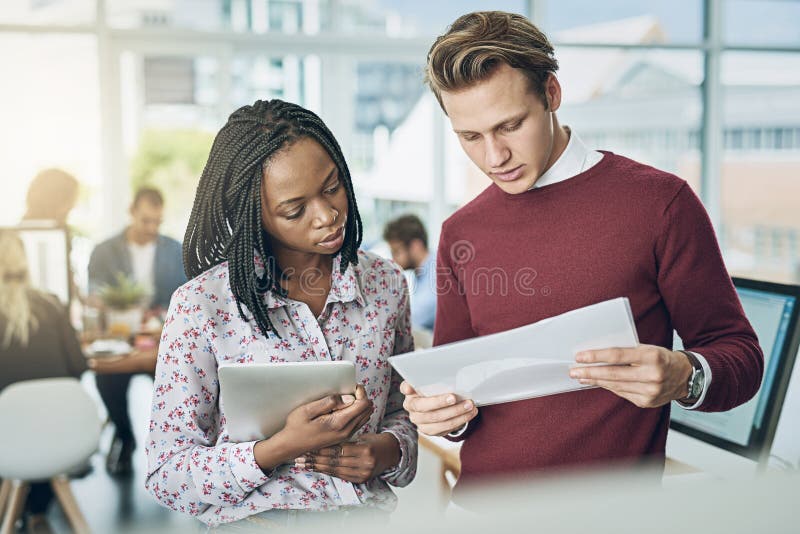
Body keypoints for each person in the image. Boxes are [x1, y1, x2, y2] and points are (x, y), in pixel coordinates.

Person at [400, 10, 764, 501]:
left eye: (510, 125)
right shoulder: (460, 232)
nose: (494, 156)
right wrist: (442, 414)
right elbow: (457, 390)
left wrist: (686, 376)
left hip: (612, 516)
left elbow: (740, 356)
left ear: (551, 94)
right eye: (470, 137)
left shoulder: (660, 204)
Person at [144, 99, 417, 530]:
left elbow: (402, 410)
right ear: (253, 214)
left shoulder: (386, 283)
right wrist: (277, 449)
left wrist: (387, 451)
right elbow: (167, 475)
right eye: (295, 210)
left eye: (332, 187)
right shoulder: (202, 306)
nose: (327, 215)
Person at [88, 186, 186, 475]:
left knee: (178, 381)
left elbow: (184, 294)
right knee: (107, 378)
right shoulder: (104, 251)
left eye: (157, 221)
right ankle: (125, 436)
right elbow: (94, 292)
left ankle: (174, 447)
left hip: (160, 338)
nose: (152, 228)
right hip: (118, 336)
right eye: (146, 221)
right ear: (131, 213)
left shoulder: (174, 249)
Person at [0, 229, 87, 533]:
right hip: (63, 438)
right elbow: (78, 366)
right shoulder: (52, 304)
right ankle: (38, 511)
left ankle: (19, 511)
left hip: (8, 441)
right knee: (38, 425)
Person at [383, 214, 436, 331]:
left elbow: (414, 318)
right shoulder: (420, 274)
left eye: (396, 251)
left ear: (416, 246)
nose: (393, 259)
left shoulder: (437, 271)